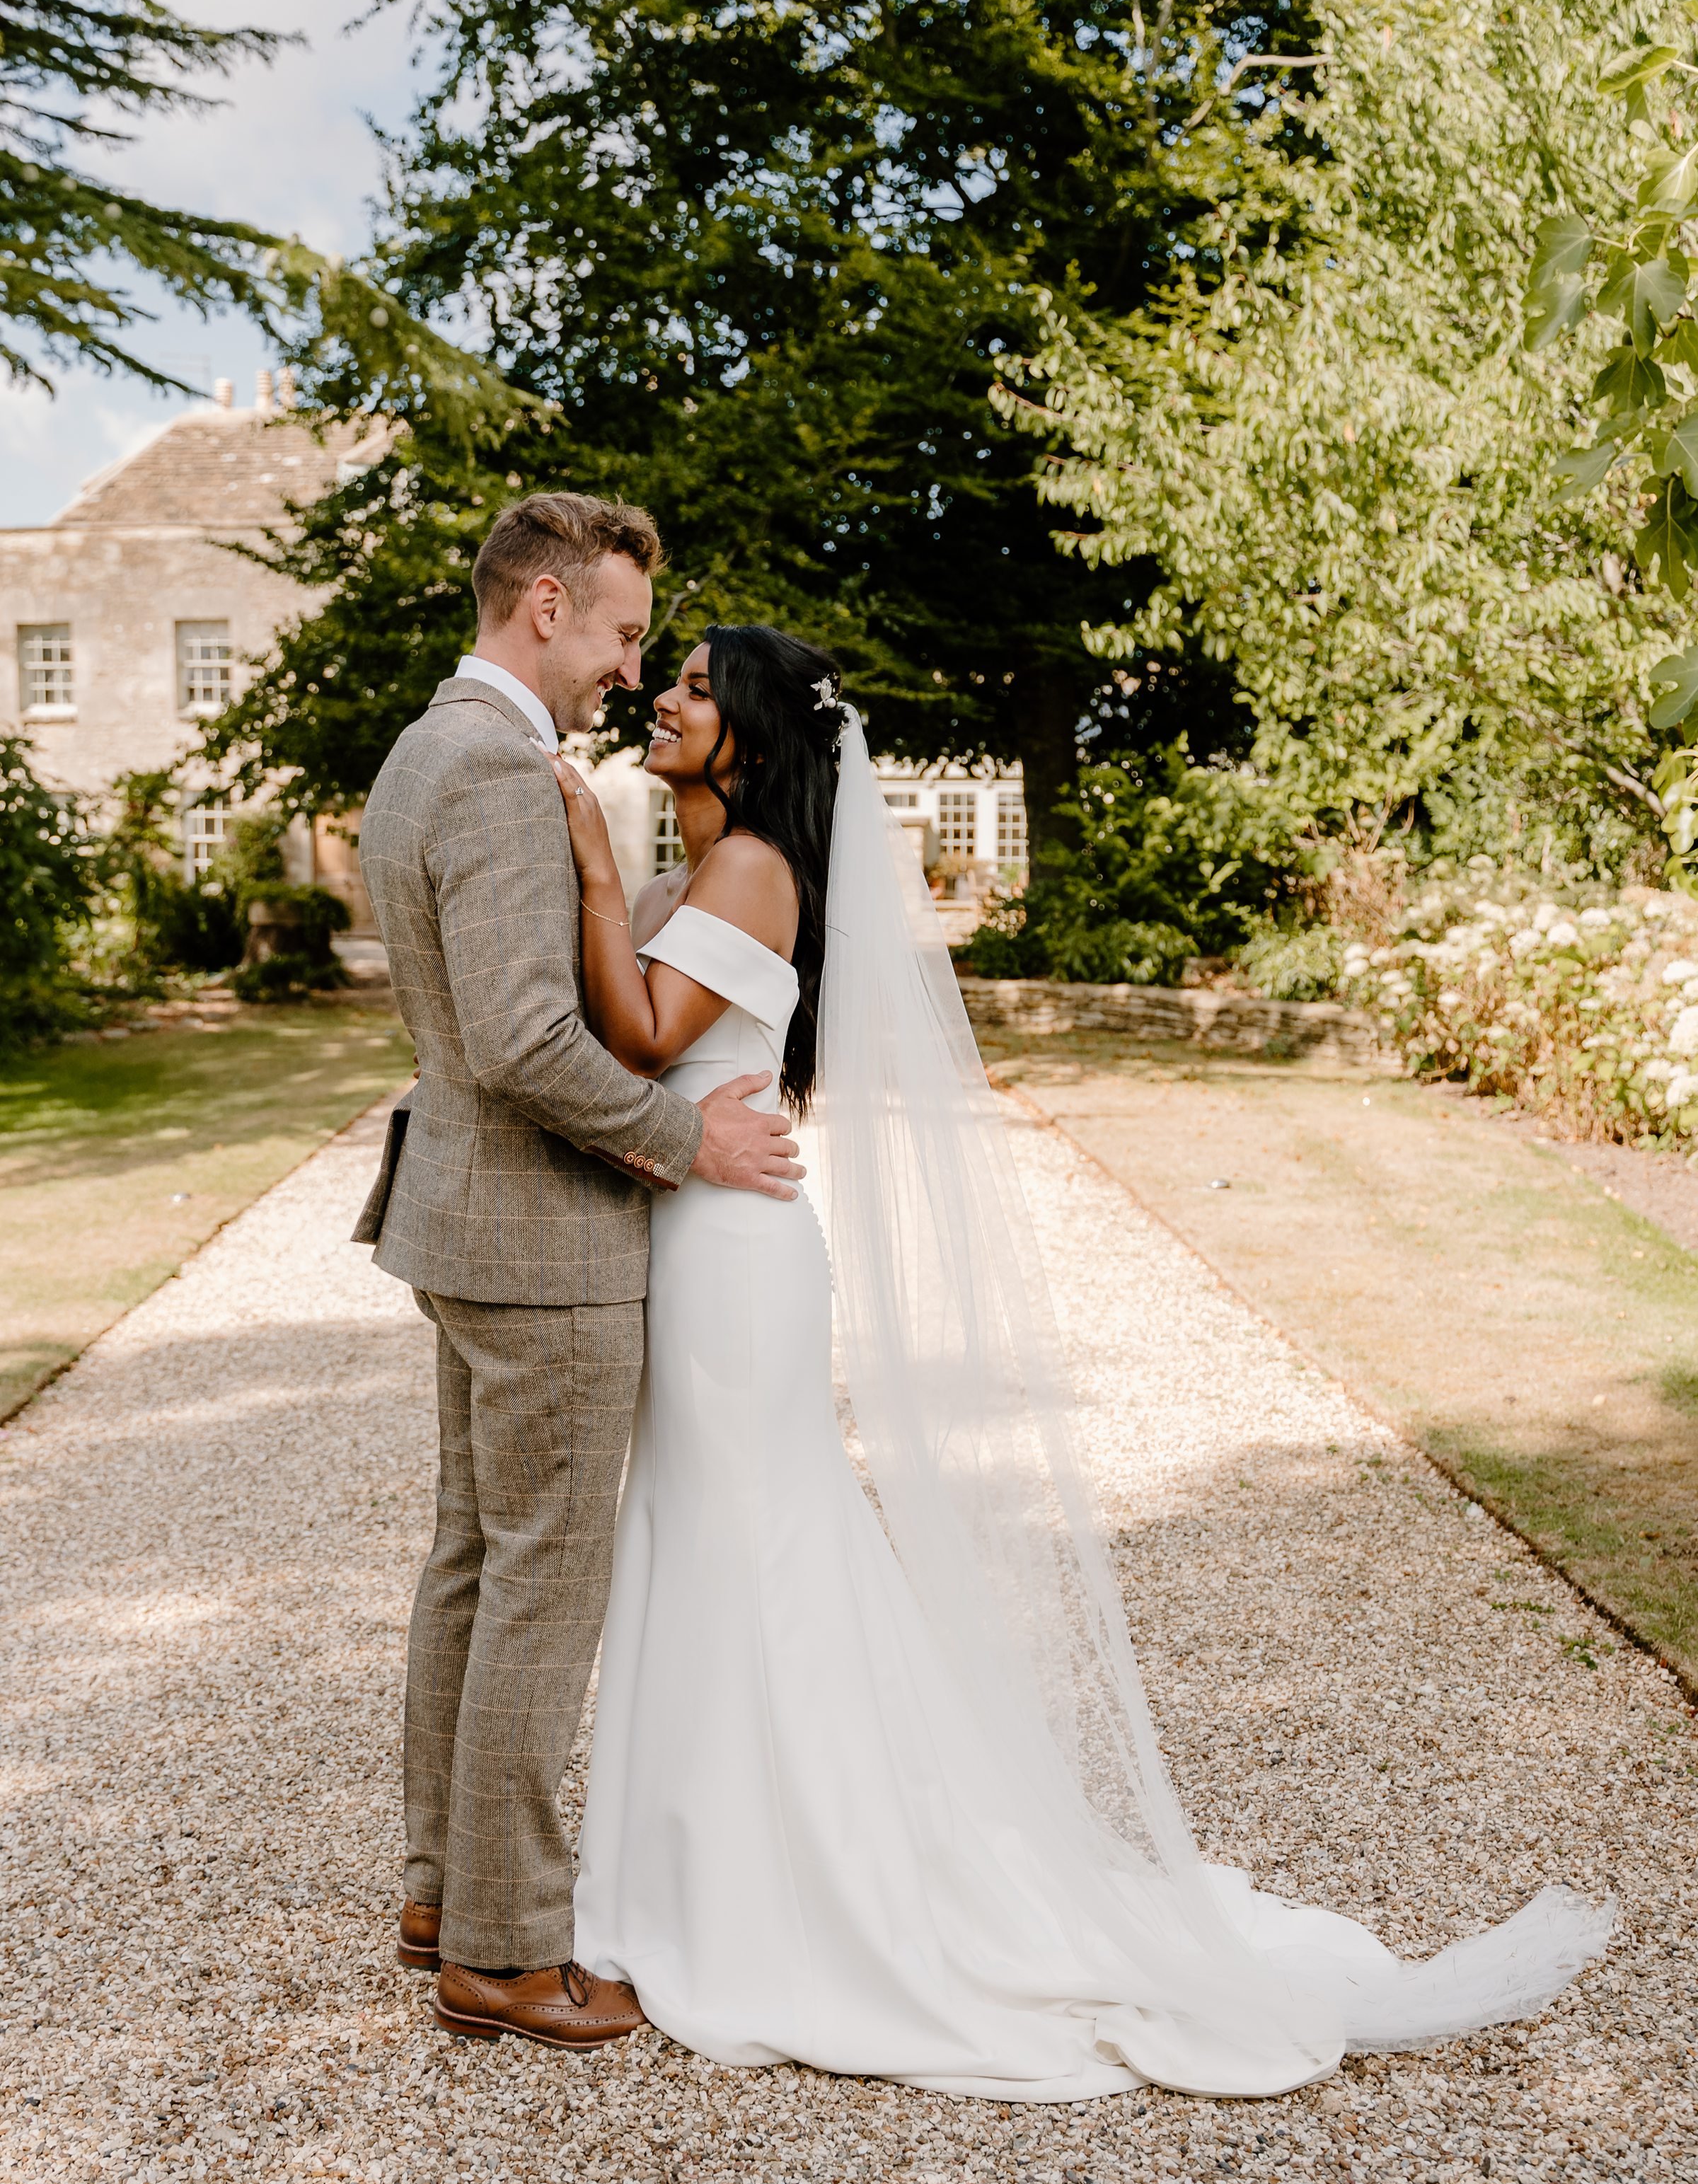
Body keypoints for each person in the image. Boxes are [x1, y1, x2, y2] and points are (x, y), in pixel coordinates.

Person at [548, 619, 1615, 2099]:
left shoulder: (746, 871)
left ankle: (770, 1894)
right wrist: (618, 877)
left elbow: (644, 1031)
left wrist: (595, 868)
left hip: (731, 1268)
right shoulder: (704, 868)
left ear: (754, 734)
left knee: (750, 1553)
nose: (660, 701)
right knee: (703, 1544)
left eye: (692, 689)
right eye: (663, 681)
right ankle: (687, 1874)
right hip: (702, 1244)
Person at [353, 496, 804, 2055]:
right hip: (539, 1244)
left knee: (474, 1570)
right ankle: (502, 1947)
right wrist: (688, 1144)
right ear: (544, 606)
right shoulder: (489, 771)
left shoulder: (431, 747)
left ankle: (439, 1893)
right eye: (621, 634)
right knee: (542, 1590)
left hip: (468, 1228)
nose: (629, 669)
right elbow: (527, 1043)